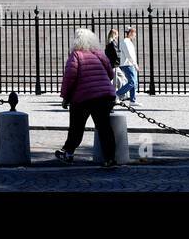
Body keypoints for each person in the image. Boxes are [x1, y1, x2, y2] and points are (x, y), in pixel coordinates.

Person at [55, 28, 118, 167]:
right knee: (104, 128)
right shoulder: (99, 54)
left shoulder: (76, 55)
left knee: (76, 127)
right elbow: (110, 74)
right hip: (105, 95)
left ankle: (68, 153)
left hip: (83, 97)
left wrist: (65, 97)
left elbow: (70, 78)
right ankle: (110, 159)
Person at [116, 26, 140, 106]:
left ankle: (132, 100)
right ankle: (117, 94)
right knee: (132, 82)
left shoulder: (128, 41)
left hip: (130, 64)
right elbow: (129, 54)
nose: (135, 35)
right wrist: (135, 64)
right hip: (127, 64)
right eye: (134, 33)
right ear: (130, 33)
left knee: (134, 82)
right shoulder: (125, 42)